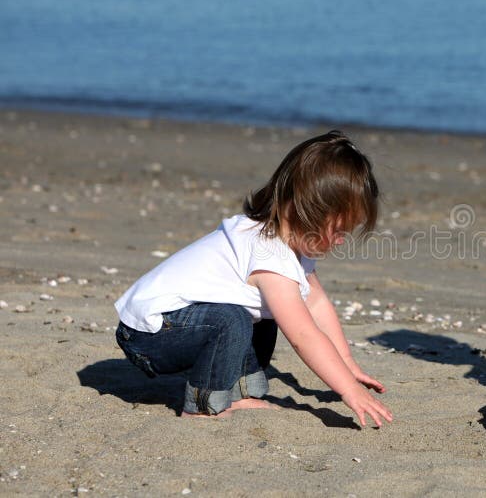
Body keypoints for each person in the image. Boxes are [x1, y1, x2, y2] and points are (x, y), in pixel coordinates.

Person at [115, 131, 393, 427]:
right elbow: (304, 335)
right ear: (304, 211)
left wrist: (347, 362)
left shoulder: (291, 247)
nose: (340, 241)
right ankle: (201, 405)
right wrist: (348, 390)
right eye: (337, 231)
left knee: (270, 307)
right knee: (232, 318)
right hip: (150, 334)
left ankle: (239, 391)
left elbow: (317, 305)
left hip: (182, 324)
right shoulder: (268, 256)